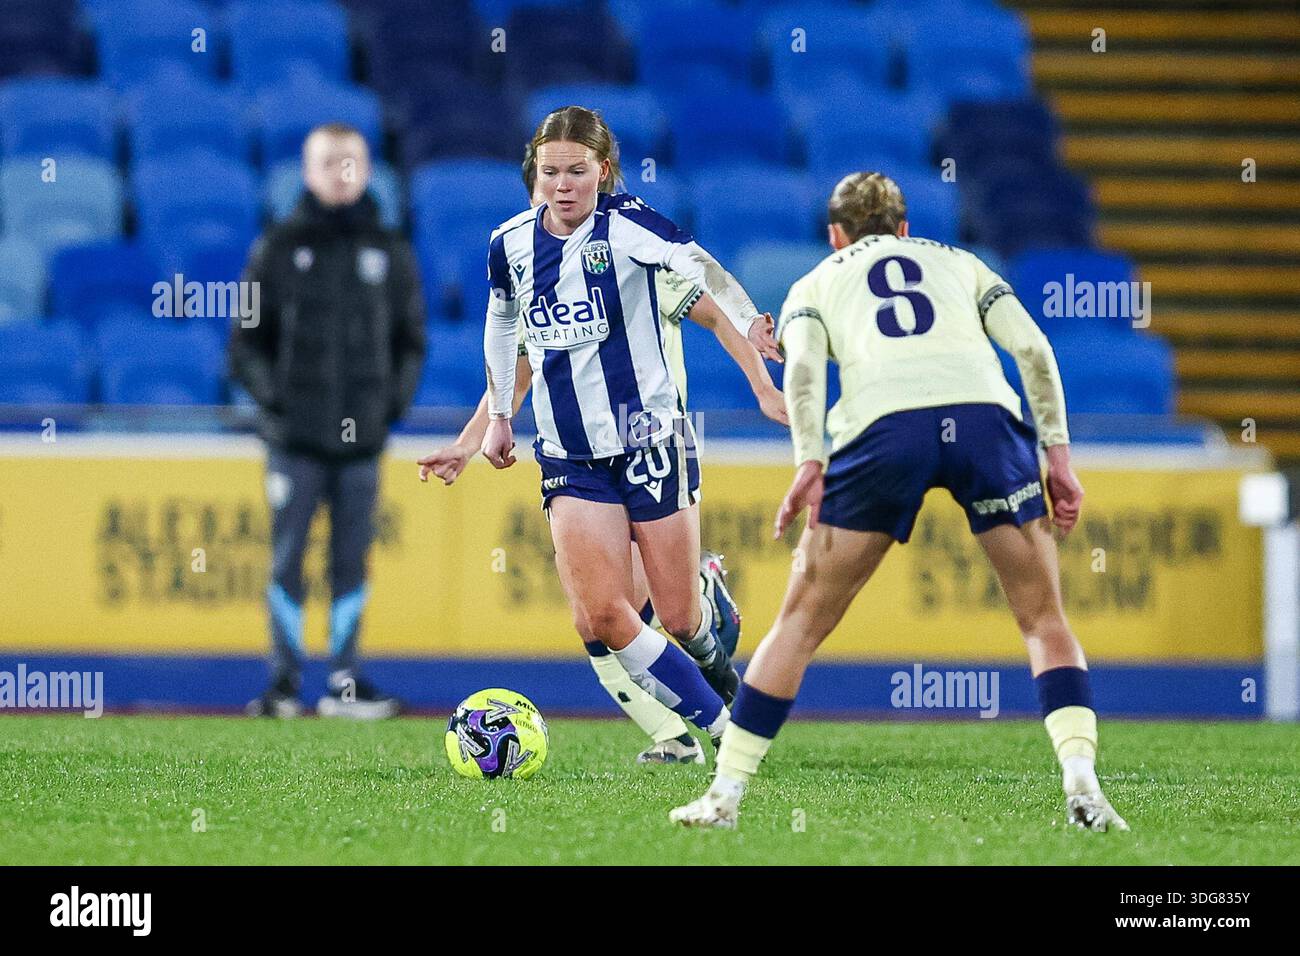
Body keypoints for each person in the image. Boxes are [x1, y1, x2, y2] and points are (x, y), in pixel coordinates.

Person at [671, 172, 1128, 831]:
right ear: (906, 228)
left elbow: (802, 371)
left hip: (886, 428)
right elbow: (1032, 347)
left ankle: (724, 797)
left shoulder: (816, 284)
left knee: (799, 623)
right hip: (985, 424)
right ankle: (1082, 781)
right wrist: (1057, 456)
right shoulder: (961, 263)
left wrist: (809, 460)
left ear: (834, 235)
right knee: (1042, 620)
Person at [418, 138, 788, 763]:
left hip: (650, 442)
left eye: (573, 174)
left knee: (674, 619)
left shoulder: (632, 244)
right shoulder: (515, 249)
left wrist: (761, 381)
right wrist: (476, 435)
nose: (559, 188)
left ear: (600, 174)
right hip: (569, 456)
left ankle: (704, 604)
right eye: (548, 176)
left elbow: (713, 306)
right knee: (600, 619)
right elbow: (524, 355)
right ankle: (702, 737)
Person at [230, 122, 427, 719]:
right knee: (287, 558)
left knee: (351, 561)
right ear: (308, 171)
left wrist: (388, 407)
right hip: (294, 442)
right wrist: (280, 405)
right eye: (328, 162)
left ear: (367, 171)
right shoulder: (278, 248)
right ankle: (284, 686)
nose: (341, 173)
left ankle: (345, 682)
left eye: (352, 162)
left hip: (363, 442)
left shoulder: (390, 250)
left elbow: (411, 342)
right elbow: (245, 345)